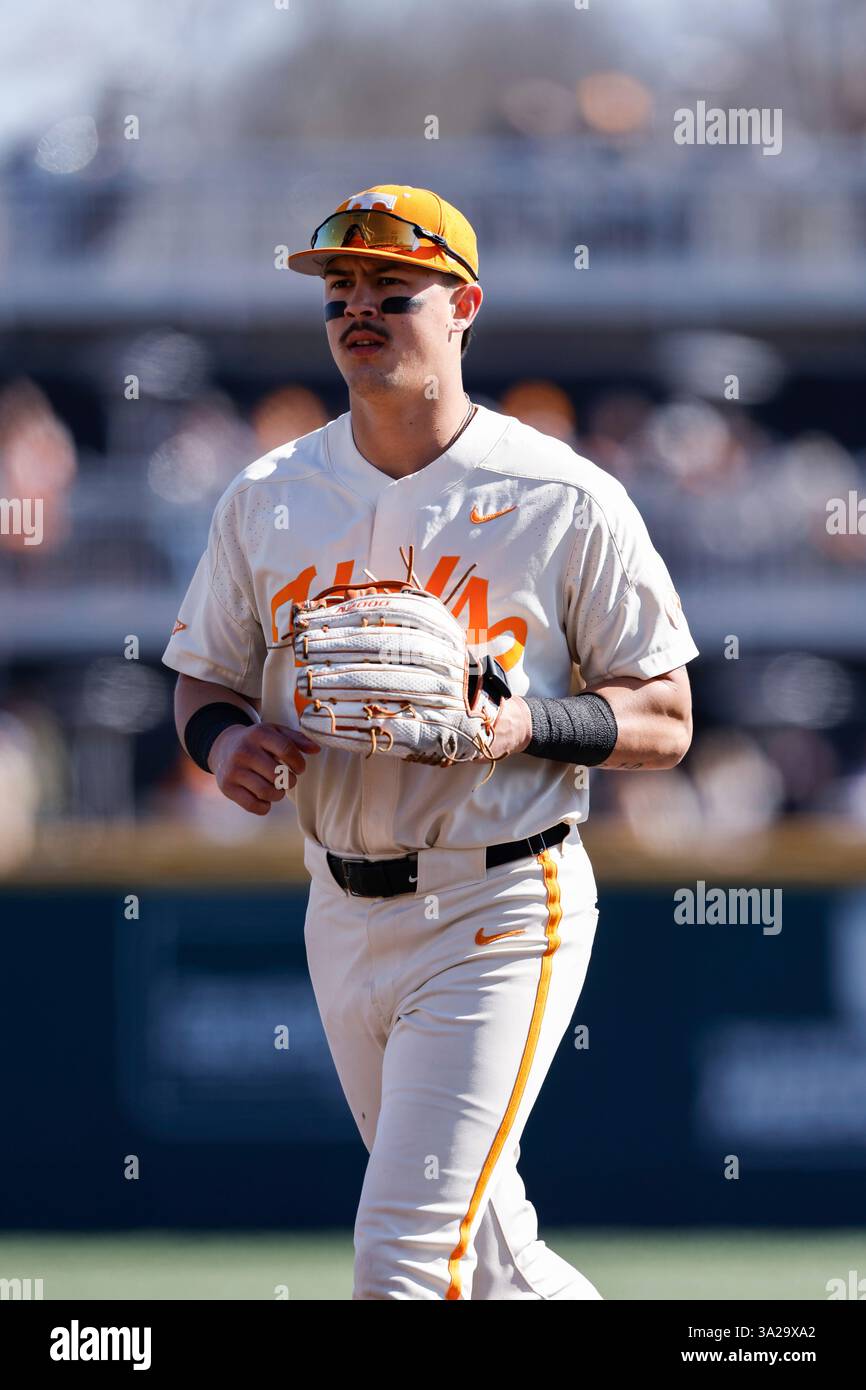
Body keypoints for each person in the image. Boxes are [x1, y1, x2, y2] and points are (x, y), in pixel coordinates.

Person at [163, 184, 698, 1300]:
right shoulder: (268, 496)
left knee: (404, 1260)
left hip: (500, 899)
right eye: (338, 293)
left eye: (390, 291)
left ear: (463, 306)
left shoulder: (561, 496)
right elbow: (203, 678)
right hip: (338, 907)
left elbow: (664, 716)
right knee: (496, 1261)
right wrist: (223, 747)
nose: (357, 311)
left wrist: (524, 724)